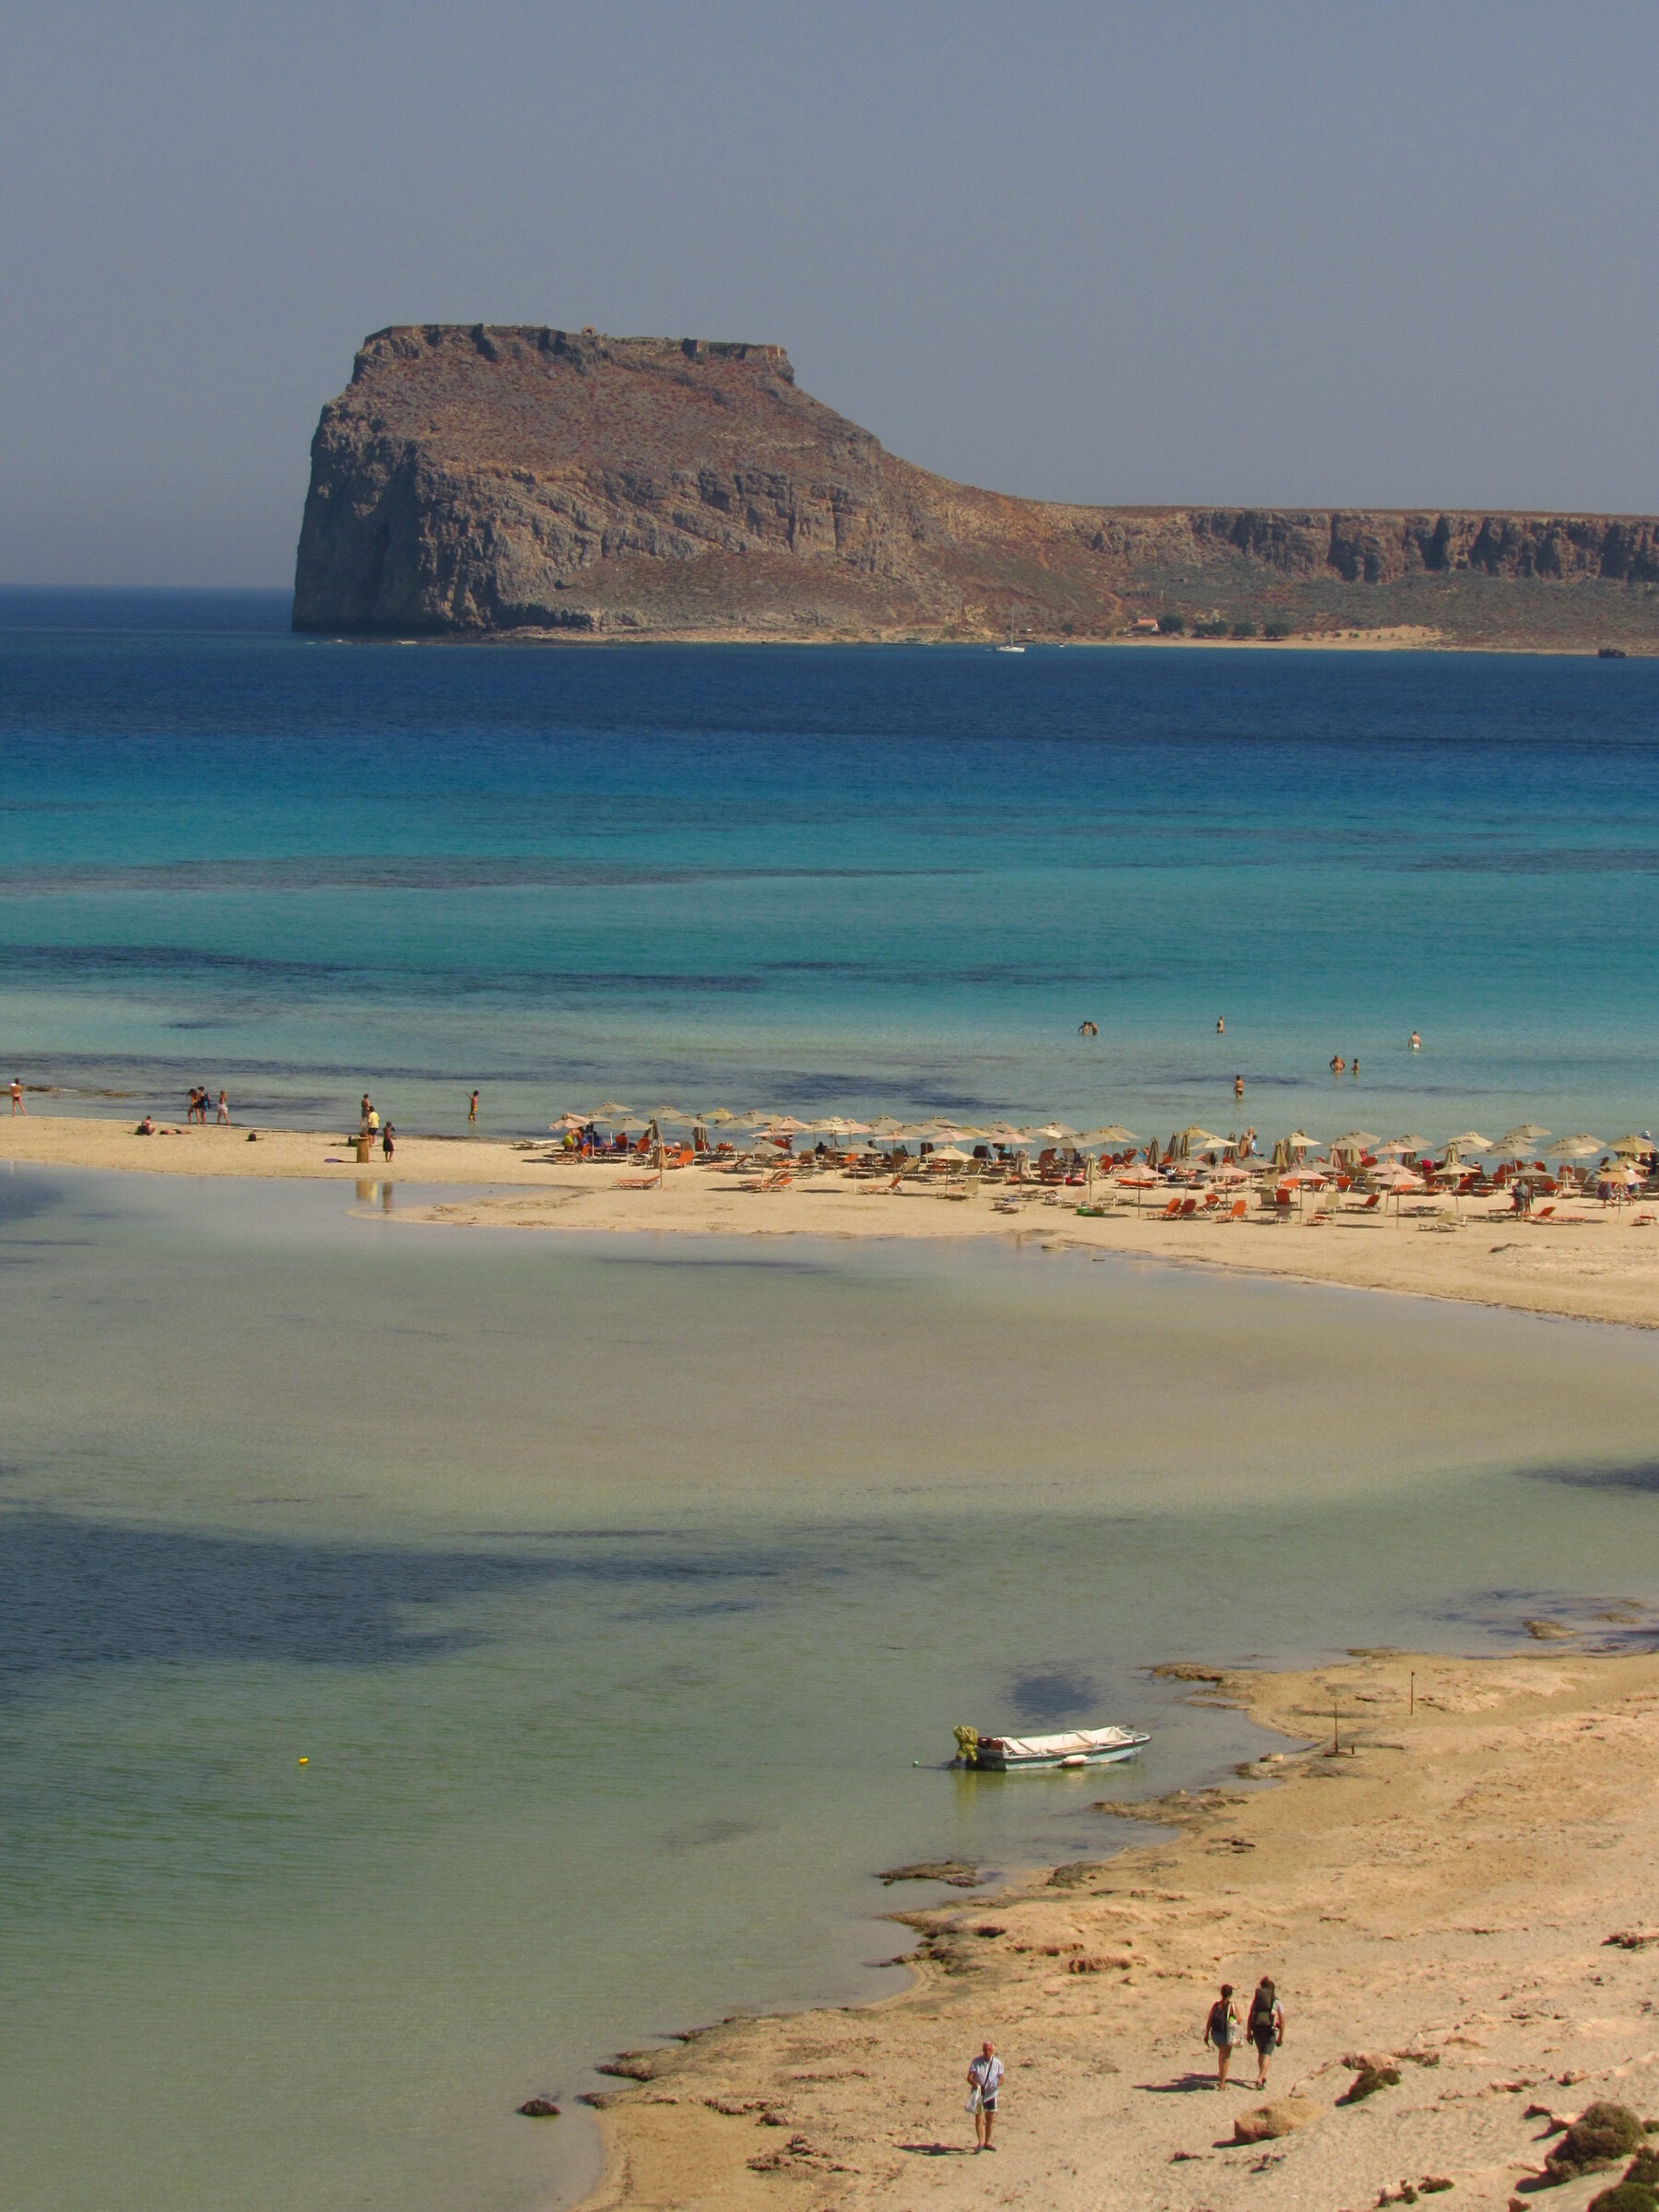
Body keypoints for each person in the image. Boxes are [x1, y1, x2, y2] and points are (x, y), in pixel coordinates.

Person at [1247, 1978, 1285, 2088]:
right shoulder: (1277, 2002)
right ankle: (1260, 2079)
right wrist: (1281, 2037)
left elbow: (1251, 2016)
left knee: (1261, 2054)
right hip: (1270, 2030)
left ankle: (1262, 2076)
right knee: (1266, 2055)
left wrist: (1249, 2032)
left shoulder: (1257, 2002)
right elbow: (1282, 2020)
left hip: (1257, 2029)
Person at [966, 2040, 1004, 2149]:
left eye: (989, 2049)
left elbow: (1001, 2077)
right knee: (979, 2117)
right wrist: (976, 2085)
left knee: (990, 2118)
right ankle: (980, 2143)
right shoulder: (976, 2062)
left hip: (991, 2094)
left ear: (992, 2050)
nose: (987, 2052)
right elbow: (969, 2077)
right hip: (979, 2094)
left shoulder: (997, 2063)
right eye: (985, 2050)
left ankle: (988, 2142)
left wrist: (997, 2083)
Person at [1205, 1983, 1241, 2087]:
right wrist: (1232, 2019)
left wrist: (1206, 2034)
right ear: (1231, 1994)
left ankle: (1220, 2073)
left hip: (1216, 2035)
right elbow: (1239, 2020)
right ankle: (1222, 2084)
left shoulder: (1216, 2005)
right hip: (1226, 2034)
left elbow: (1210, 2020)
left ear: (1221, 1993)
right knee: (1226, 2058)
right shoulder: (1231, 2006)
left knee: (1221, 2052)